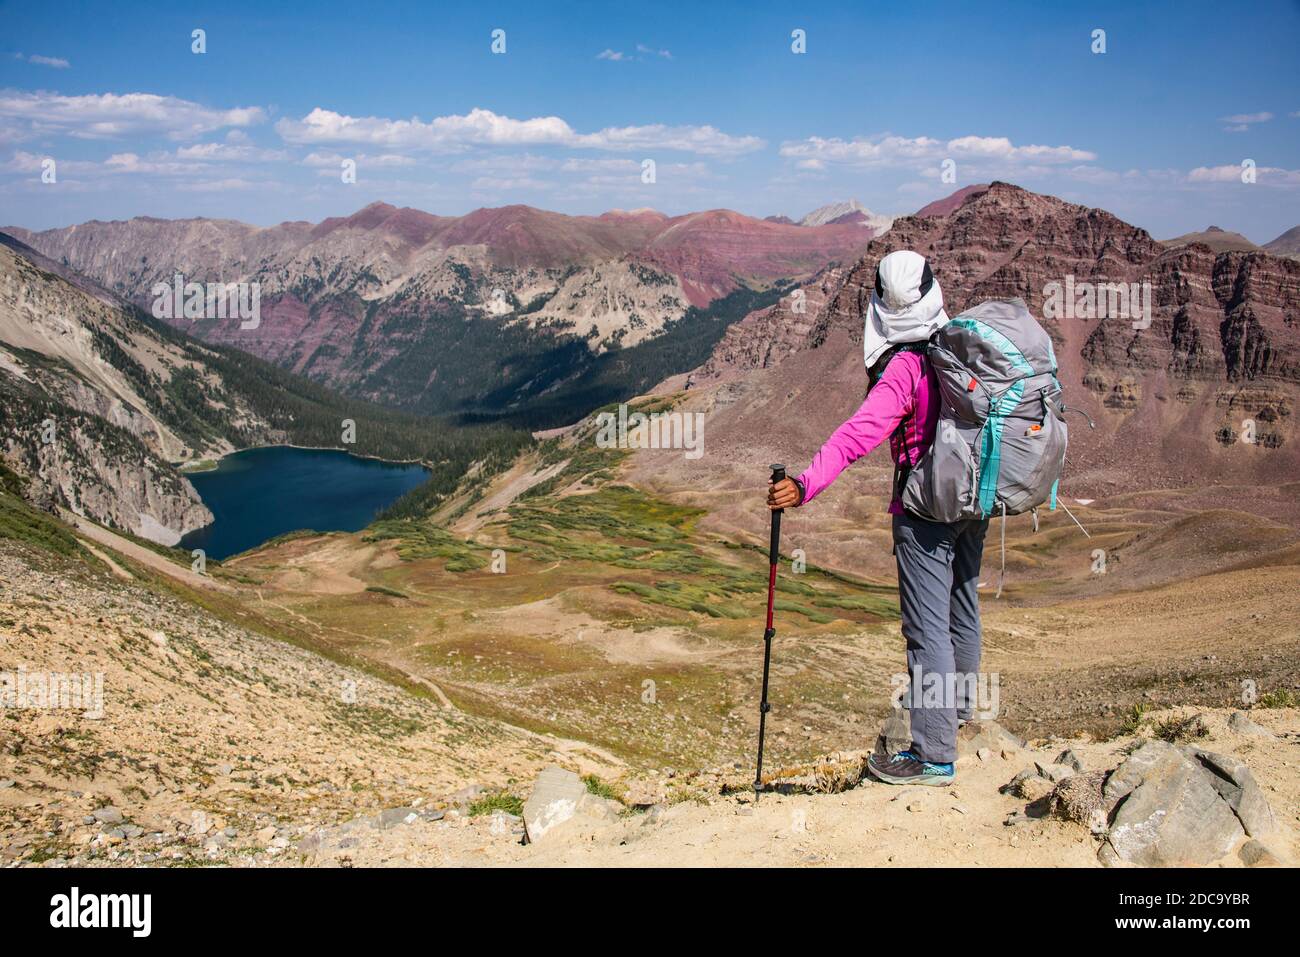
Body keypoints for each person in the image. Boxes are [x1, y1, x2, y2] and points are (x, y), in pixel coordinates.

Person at [766, 250, 988, 787]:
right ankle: (956, 716)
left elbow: (858, 433)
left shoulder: (904, 370)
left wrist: (805, 484)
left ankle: (934, 753)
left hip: (924, 514)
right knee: (963, 607)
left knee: (925, 629)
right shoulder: (960, 352)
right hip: (973, 500)